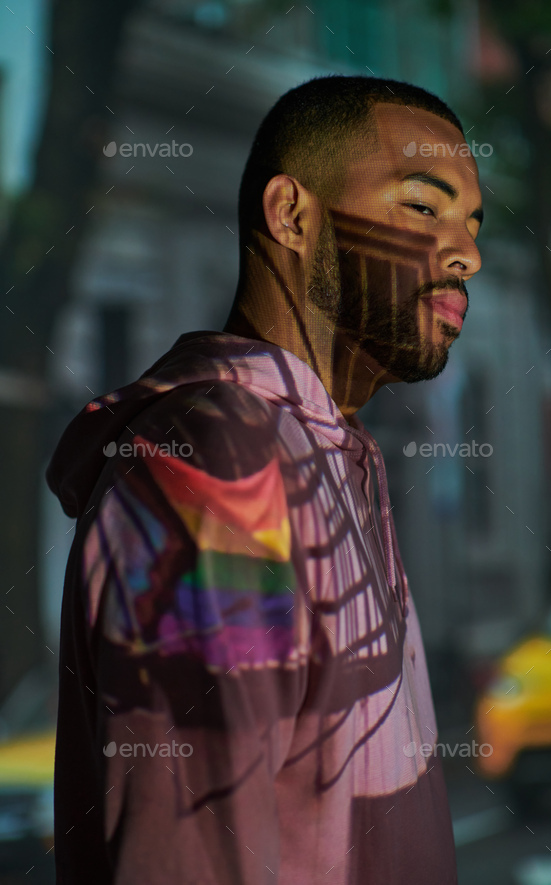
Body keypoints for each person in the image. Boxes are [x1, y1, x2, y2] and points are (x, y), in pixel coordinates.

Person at [47, 74, 482, 885]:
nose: (468, 255)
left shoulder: (325, 447)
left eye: (472, 225)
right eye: (424, 207)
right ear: (292, 215)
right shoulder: (219, 460)